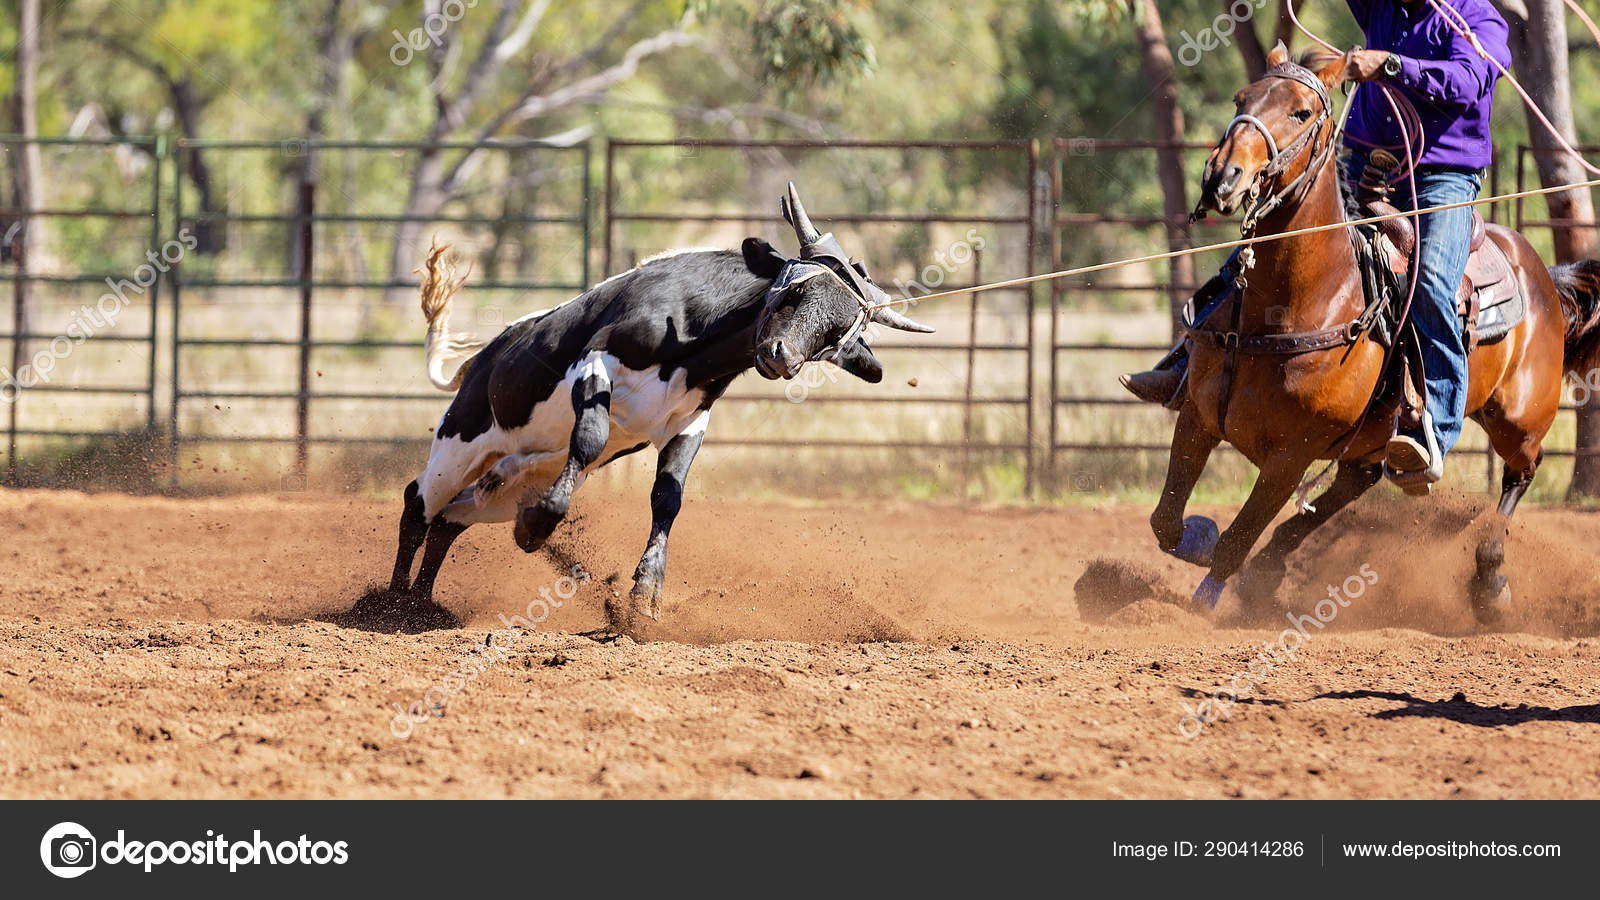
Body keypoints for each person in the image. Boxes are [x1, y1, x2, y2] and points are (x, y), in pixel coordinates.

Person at [1122, 0, 1511, 490]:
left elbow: (1468, 80)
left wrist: (1390, 65)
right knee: (1269, 239)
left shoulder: (1478, 19)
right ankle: (1186, 365)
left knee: (1430, 281)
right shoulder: (1384, 8)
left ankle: (1431, 432)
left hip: (1441, 177)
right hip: (1365, 160)